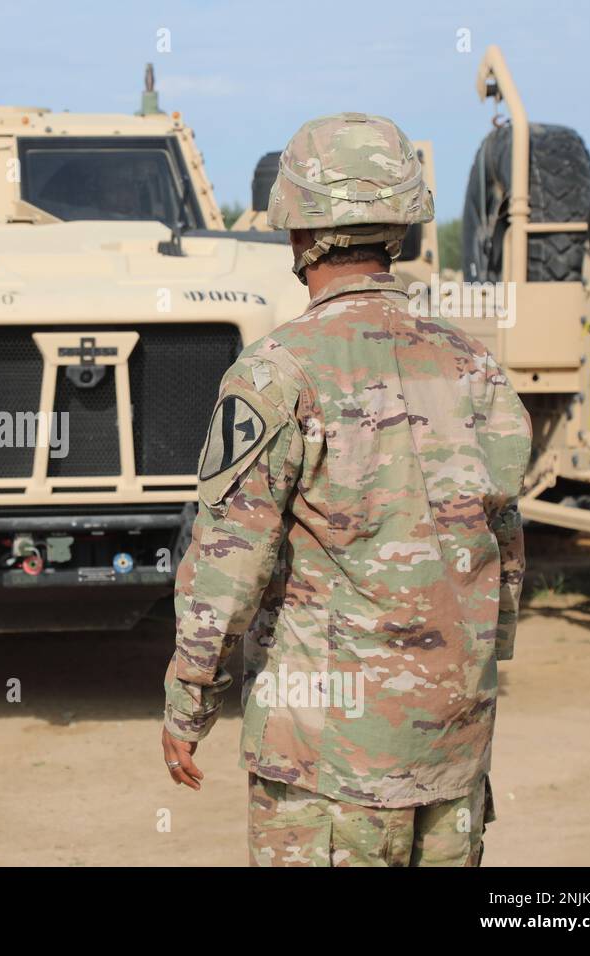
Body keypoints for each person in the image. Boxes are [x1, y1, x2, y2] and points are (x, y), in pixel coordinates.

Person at [159, 112, 531, 866]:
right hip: (451, 750)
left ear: (296, 228)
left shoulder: (277, 372)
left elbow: (229, 566)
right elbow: (505, 546)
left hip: (327, 768)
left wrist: (188, 700)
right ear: (399, 222)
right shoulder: (473, 365)